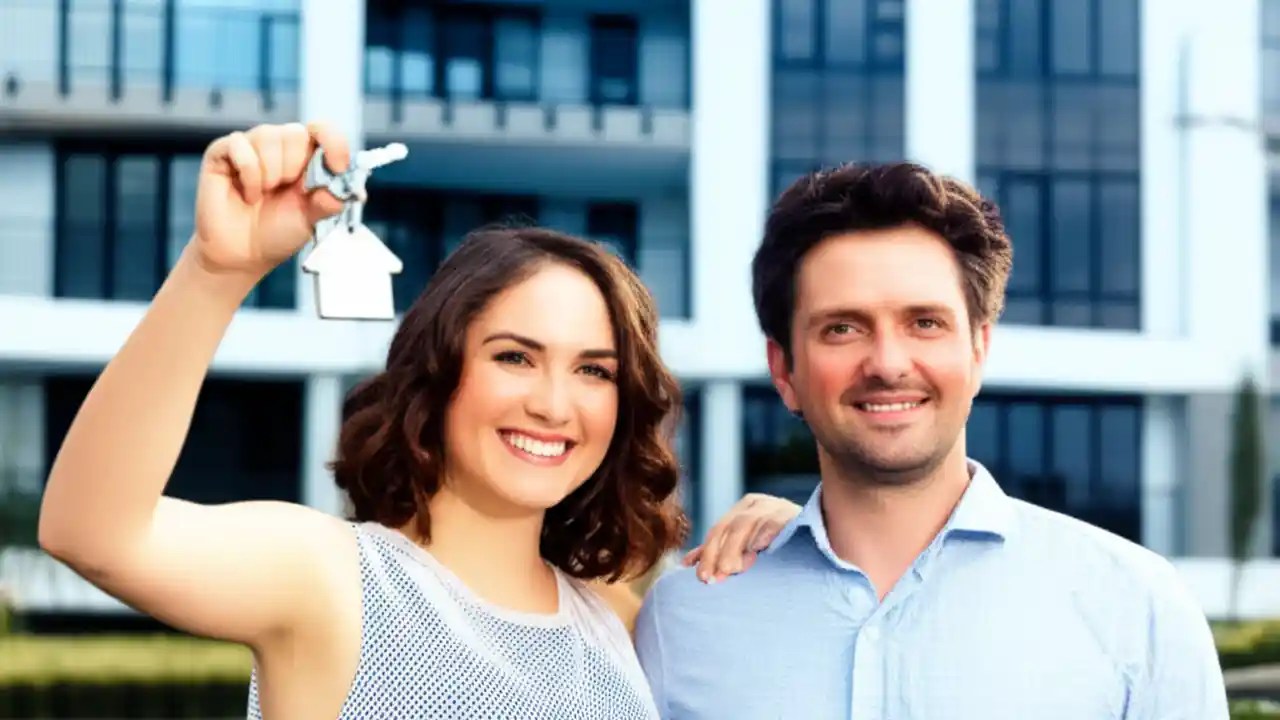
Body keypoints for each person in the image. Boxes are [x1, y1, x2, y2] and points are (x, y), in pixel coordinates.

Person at [36, 122, 799, 719]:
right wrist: (216, 271)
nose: (554, 403)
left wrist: (793, 532)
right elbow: (91, 532)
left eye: (594, 370)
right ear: (439, 375)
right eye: (514, 357)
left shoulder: (613, 616)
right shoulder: (330, 577)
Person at [635, 162, 1230, 719]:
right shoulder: (683, 621)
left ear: (978, 350)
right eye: (842, 328)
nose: (889, 363)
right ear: (784, 370)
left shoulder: (1139, 609)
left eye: (926, 323)